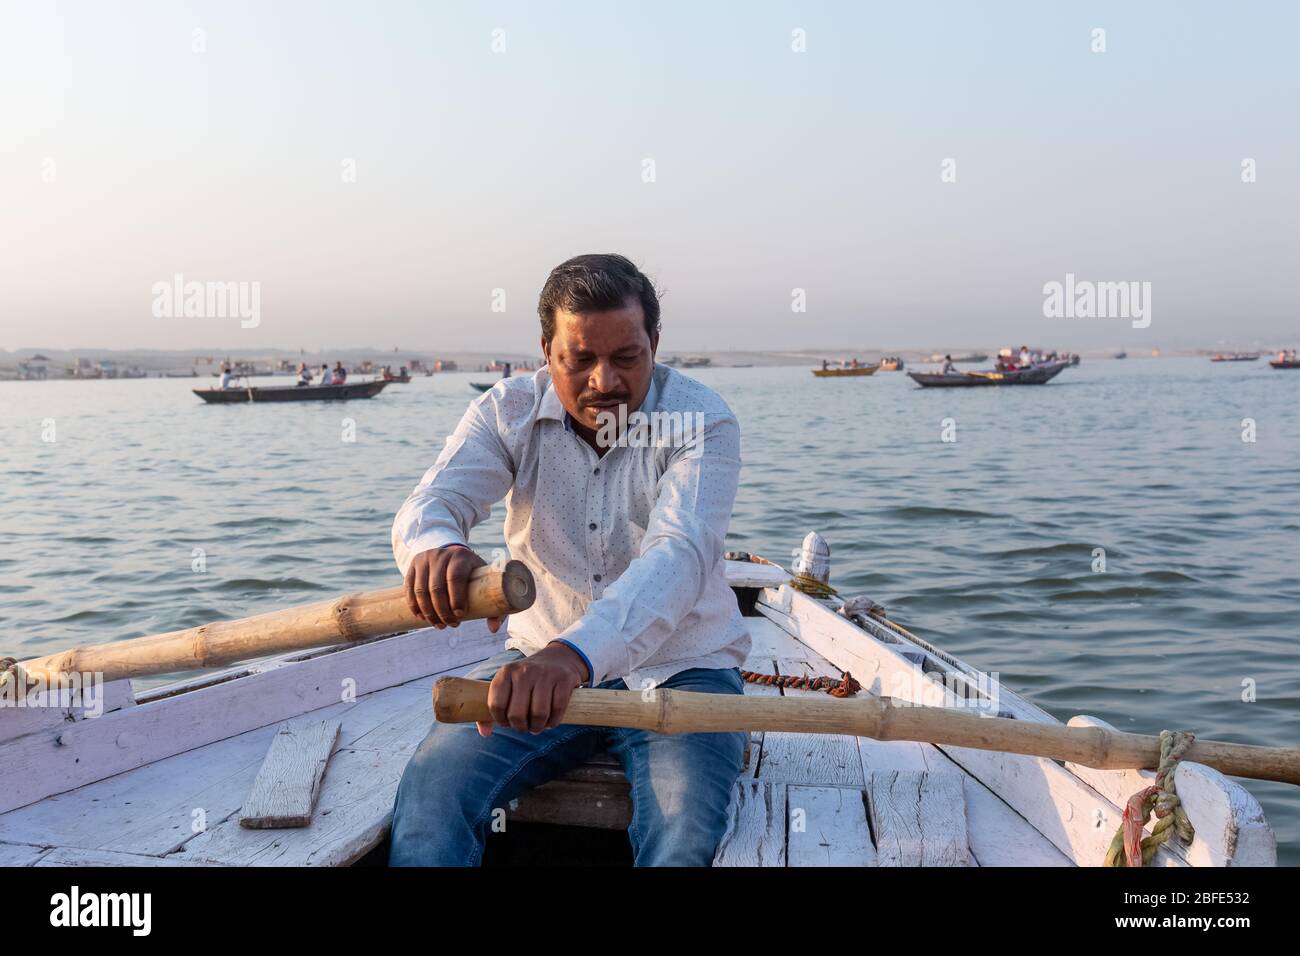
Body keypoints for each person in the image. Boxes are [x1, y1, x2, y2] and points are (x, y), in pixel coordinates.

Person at [387, 254, 749, 867]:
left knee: (683, 839)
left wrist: (573, 656)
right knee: (431, 799)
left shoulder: (701, 420)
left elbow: (679, 556)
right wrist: (434, 549)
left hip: (683, 669)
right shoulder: (506, 412)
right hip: (532, 669)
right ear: (546, 351)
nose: (604, 381)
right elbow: (433, 502)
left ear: (654, 345)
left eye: (626, 358)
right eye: (580, 359)